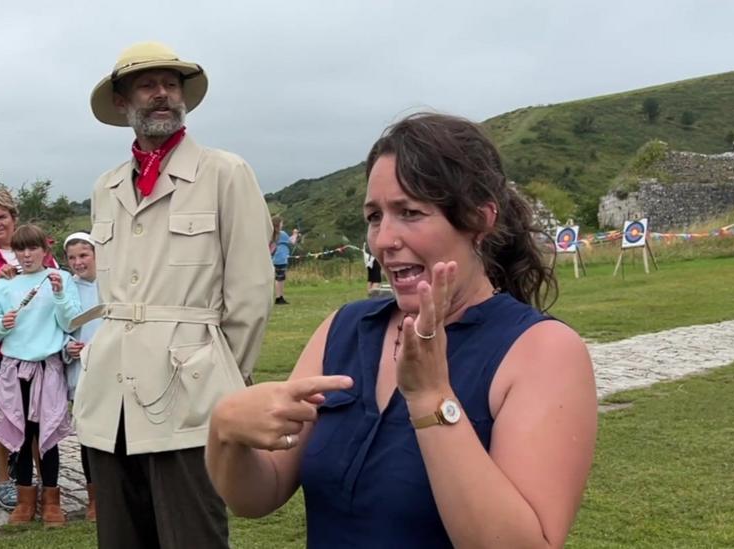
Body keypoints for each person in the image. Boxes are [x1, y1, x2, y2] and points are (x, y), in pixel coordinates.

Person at [206, 113, 598, 548]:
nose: (383, 240)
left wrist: (432, 400)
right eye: (375, 216)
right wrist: (225, 433)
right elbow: (261, 494)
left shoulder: (542, 351)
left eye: (410, 213)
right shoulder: (345, 329)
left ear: (480, 219)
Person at [74, 41, 273, 548]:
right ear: (122, 101)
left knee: (193, 535)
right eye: (147, 84)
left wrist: (220, 375)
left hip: (190, 392)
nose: (162, 94)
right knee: (121, 536)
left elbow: (251, 292)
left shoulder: (225, 173)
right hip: (111, 395)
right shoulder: (107, 186)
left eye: (171, 83)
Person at [0, 189, 55, 510]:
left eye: (3, 217)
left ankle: (44, 479)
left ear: (14, 218)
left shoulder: (37, 249)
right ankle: (5, 481)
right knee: (4, 416)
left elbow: (56, 290)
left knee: (38, 415)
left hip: (39, 351)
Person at [0, 224, 80, 527]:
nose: (26, 255)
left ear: (44, 250)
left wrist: (60, 294)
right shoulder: (5, 285)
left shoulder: (60, 279)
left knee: (47, 436)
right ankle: (25, 499)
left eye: (32, 248)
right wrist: (3, 324)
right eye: (20, 249)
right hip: (15, 369)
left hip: (47, 368)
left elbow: (69, 322)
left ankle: (51, 500)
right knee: (22, 436)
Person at [60, 232, 102, 521]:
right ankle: (95, 498)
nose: (78, 262)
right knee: (88, 435)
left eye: (83, 255)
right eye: (72, 257)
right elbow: (59, 326)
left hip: (111, 368)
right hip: (81, 370)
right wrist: (67, 347)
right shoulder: (66, 288)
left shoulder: (111, 285)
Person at [270, 217, 299, 305]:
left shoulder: (272, 234)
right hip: (281, 258)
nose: (283, 224)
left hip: (274, 258)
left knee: (279, 277)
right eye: (282, 223)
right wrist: (295, 234)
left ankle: (279, 296)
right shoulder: (282, 233)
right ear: (278, 224)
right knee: (280, 278)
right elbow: (292, 241)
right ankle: (279, 297)